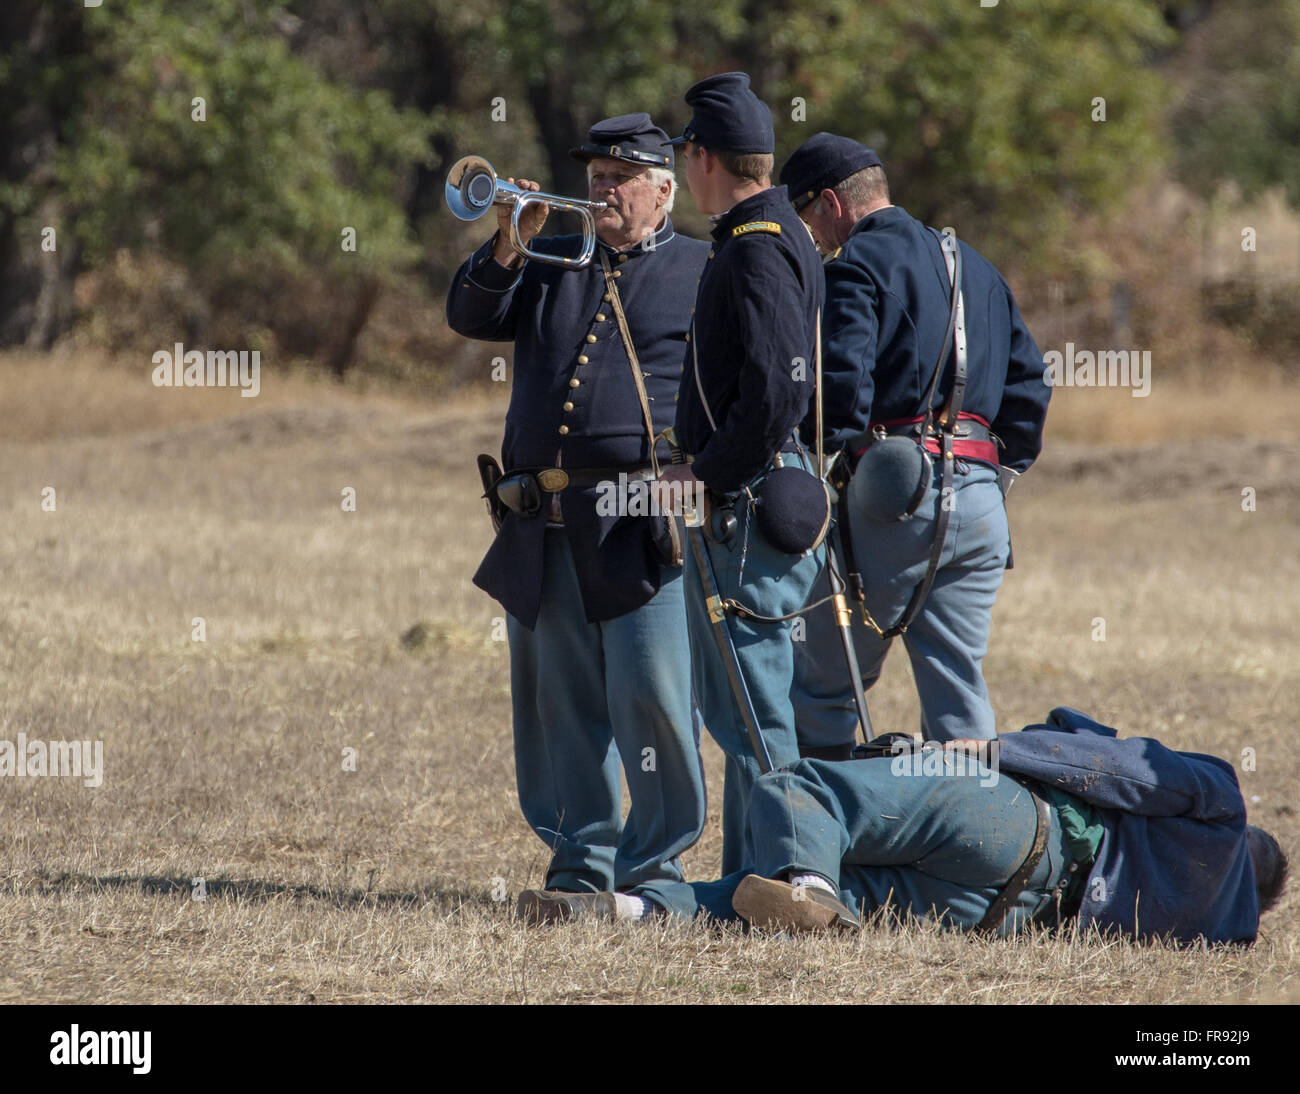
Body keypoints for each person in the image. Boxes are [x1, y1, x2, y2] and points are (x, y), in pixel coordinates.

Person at [444, 114, 710, 922]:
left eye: (619, 175)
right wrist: (507, 243)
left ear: (663, 189)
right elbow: (470, 316)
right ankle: (580, 862)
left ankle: (655, 868)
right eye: (595, 172)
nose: (601, 186)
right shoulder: (553, 255)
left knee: (652, 698)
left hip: (638, 519)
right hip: (543, 514)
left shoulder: (705, 267)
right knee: (559, 701)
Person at [778, 133, 1051, 757]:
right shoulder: (976, 265)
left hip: (894, 498)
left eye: (806, 218)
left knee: (824, 687)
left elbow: (839, 391)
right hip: (983, 504)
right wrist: (994, 475)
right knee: (958, 695)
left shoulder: (853, 266)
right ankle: (972, 845)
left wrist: (825, 453)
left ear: (830, 205)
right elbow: (1031, 381)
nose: (811, 236)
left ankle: (821, 843)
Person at [698, 707, 1288, 946]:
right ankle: (632, 909)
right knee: (786, 900)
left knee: (803, 790)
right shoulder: (1222, 935)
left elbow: (1122, 771)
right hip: (1000, 917)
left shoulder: (1225, 808)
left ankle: (808, 884)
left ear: (1248, 843)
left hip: (1023, 827)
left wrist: (991, 751)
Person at [654, 72, 828, 881]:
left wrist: (708, 472)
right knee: (743, 706)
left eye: (687, 156)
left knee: (753, 711)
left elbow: (778, 387)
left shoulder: (755, 246)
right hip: (762, 495)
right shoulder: (778, 230)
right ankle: (747, 883)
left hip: (748, 506)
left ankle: (795, 879)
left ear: (702, 157)